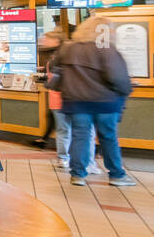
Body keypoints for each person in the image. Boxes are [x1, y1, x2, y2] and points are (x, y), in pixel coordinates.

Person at [52, 15, 135, 187]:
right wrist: (126, 90)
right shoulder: (107, 50)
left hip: (76, 102)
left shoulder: (68, 49)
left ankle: (78, 175)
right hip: (105, 103)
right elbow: (118, 79)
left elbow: (55, 70)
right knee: (108, 137)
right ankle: (116, 175)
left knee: (79, 136)